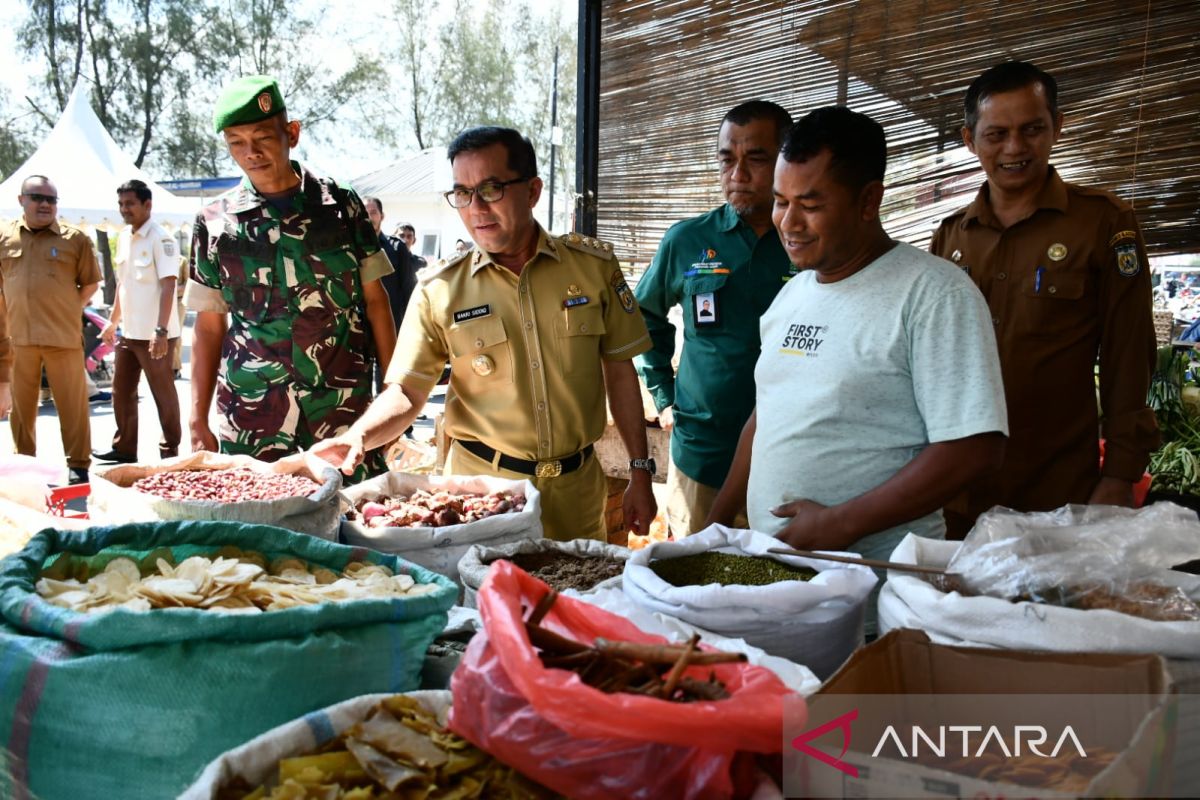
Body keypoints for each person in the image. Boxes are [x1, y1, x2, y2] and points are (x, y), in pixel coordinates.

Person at [312, 126, 657, 541]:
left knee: (574, 603)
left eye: (491, 189)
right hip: (482, 503)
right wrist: (358, 437)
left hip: (576, 498)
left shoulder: (592, 269)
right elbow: (408, 392)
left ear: (532, 191)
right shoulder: (439, 288)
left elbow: (620, 371)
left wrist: (640, 470)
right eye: (462, 193)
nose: (476, 208)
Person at [709, 107, 1007, 587]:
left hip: (877, 591)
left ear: (869, 200)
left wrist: (838, 523)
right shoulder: (794, 293)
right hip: (782, 582)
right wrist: (716, 525)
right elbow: (766, 416)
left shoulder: (933, 293)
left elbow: (974, 448)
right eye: (781, 202)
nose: (788, 223)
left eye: (810, 204)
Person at [930, 61, 1159, 537]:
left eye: (1032, 129)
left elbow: (1129, 354)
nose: (1015, 148)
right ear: (970, 140)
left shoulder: (1104, 223)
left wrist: (1120, 474)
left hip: (1054, 490)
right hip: (952, 486)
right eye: (996, 134)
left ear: (1057, 126)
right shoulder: (951, 237)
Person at [184, 75, 396, 474]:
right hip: (253, 413)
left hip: (341, 407)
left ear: (291, 133)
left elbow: (376, 303)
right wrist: (196, 416)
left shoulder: (341, 204)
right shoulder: (213, 224)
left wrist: (392, 394)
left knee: (350, 515)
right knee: (257, 525)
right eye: (237, 142)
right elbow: (209, 326)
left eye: (263, 137)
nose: (252, 152)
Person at [635, 100, 795, 537]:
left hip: (788, 460)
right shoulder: (689, 240)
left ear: (785, 160)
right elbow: (643, 316)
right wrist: (663, 395)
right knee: (691, 582)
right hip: (702, 453)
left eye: (756, 159)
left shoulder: (806, 242)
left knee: (773, 590)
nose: (737, 174)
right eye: (727, 159)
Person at [0, 176, 102, 484]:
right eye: (37, 197)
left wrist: (69, 308)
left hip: (62, 337)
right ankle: (24, 464)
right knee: (21, 410)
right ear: (22, 200)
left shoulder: (76, 240)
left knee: (72, 405)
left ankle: (79, 464)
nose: (45, 204)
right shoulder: (4, 237)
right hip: (18, 340)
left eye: (51, 199)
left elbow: (91, 283)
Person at [93, 179, 182, 463]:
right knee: (121, 392)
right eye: (121, 204)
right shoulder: (124, 238)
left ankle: (170, 452)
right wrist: (112, 321)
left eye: (130, 203)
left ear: (147, 205)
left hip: (156, 334)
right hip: (129, 332)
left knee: (162, 394)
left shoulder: (160, 238)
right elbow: (123, 284)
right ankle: (124, 449)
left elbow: (169, 285)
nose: (124, 209)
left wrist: (161, 330)